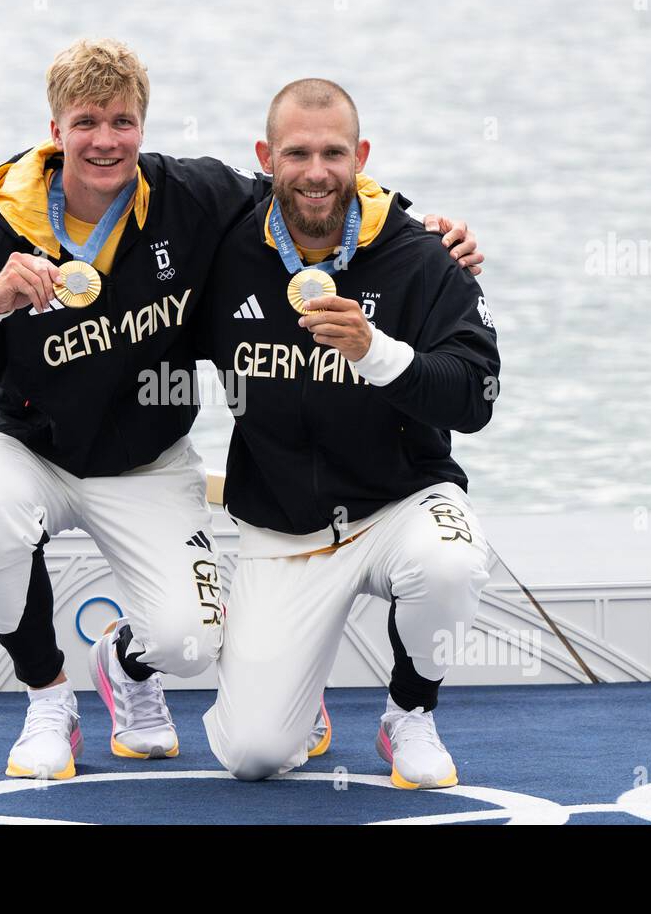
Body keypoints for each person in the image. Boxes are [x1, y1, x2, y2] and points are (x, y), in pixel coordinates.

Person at [0, 40, 483, 781]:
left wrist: (424, 233)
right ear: (56, 128)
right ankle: (48, 703)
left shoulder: (192, 198)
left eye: (123, 121)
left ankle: (130, 665)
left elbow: (308, 189)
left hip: (147, 463)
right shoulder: (4, 221)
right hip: (31, 446)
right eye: (86, 122)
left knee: (194, 644)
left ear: (143, 126)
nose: (105, 140)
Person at [197, 79, 499, 788]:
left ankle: (409, 714)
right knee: (254, 756)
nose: (315, 173)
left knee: (451, 563)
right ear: (266, 158)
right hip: (285, 526)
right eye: (296, 153)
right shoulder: (224, 252)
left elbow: (477, 394)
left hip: (399, 503)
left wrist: (376, 352)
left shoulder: (423, 255)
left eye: (334, 153)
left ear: (361, 156)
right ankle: (300, 696)